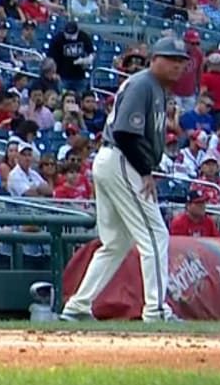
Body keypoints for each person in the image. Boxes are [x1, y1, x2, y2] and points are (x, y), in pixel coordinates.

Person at [59, 35, 188, 323]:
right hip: (122, 159)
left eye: (181, 61)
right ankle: (156, 311)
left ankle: (78, 306)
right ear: (154, 59)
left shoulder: (156, 88)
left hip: (115, 160)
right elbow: (125, 133)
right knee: (155, 235)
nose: (178, 65)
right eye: (171, 59)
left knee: (116, 242)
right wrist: (145, 171)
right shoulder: (143, 83)